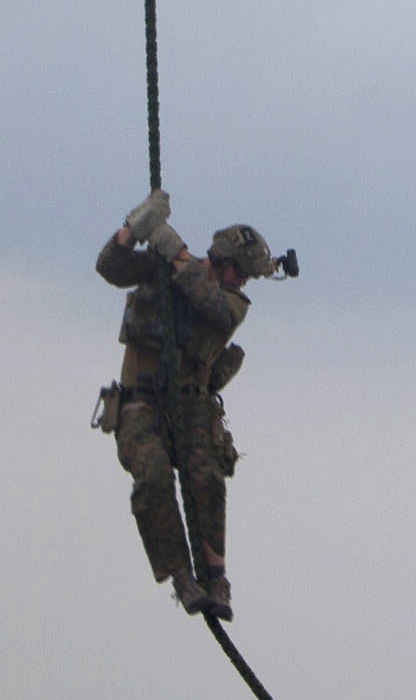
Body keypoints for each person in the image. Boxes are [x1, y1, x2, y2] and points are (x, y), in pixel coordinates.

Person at [93, 192, 287, 619]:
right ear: (225, 262)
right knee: (153, 477)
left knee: (207, 478)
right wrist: (133, 230)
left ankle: (216, 577)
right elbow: (110, 268)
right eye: (240, 272)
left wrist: (172, 247)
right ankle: (180, 575)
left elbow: (210, 304)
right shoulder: (164, 270)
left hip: (193, 407)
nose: (242, 282)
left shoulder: (232, 303)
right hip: (140, 401)